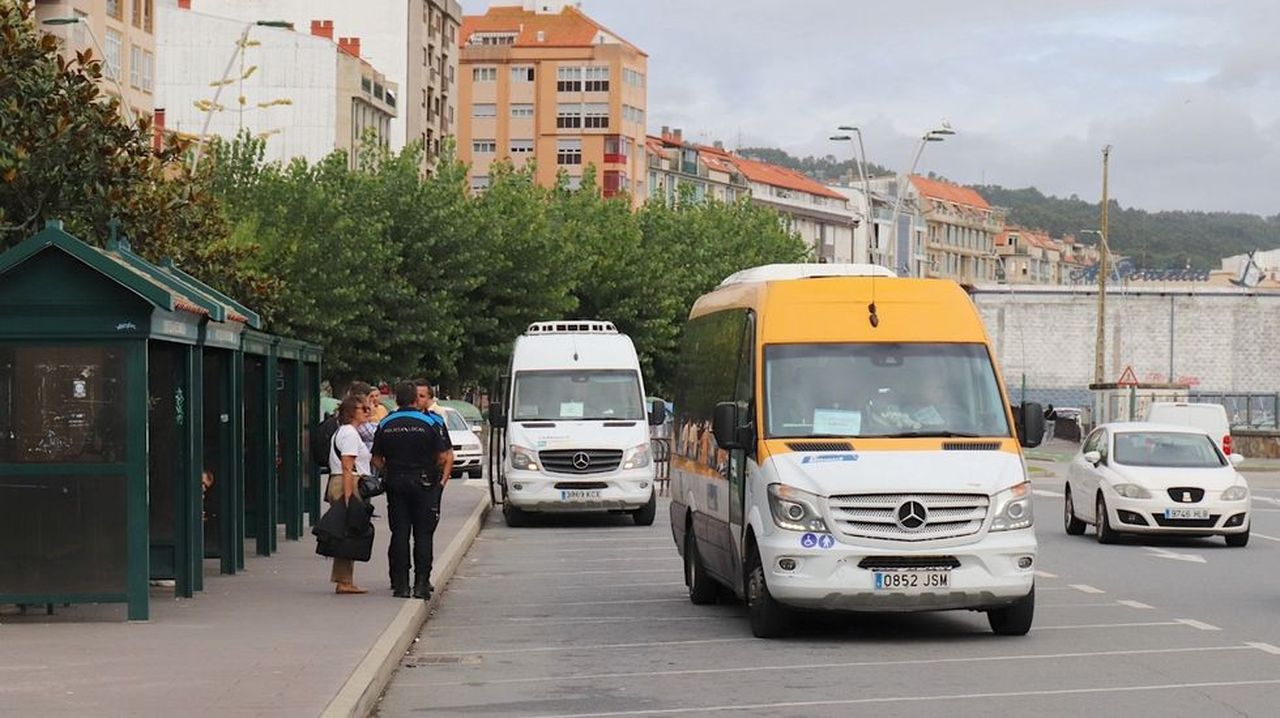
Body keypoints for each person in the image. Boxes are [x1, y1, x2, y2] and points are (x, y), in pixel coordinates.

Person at [372, 381, 453, 599]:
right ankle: (421, 585)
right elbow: (443, 456)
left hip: (396, 482)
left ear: (396, 399)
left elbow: (376, 459)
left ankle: (401, 585)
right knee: (423, 534)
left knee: (399, 533)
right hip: (423, 483)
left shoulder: (386, 423)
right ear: (415, 399)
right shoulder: (429, 422)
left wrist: (391, 469)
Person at [328, 396, 372, 595]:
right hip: (348, 483)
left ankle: (345, 579)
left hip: (343, 481)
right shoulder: (350, 435)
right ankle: (344, 581)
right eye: (363, 408)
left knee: (347, 532)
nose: (367, 410)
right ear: (351, 413)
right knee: (349, 532)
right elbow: (348, 466)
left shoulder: (345, 432)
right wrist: (348, 497)